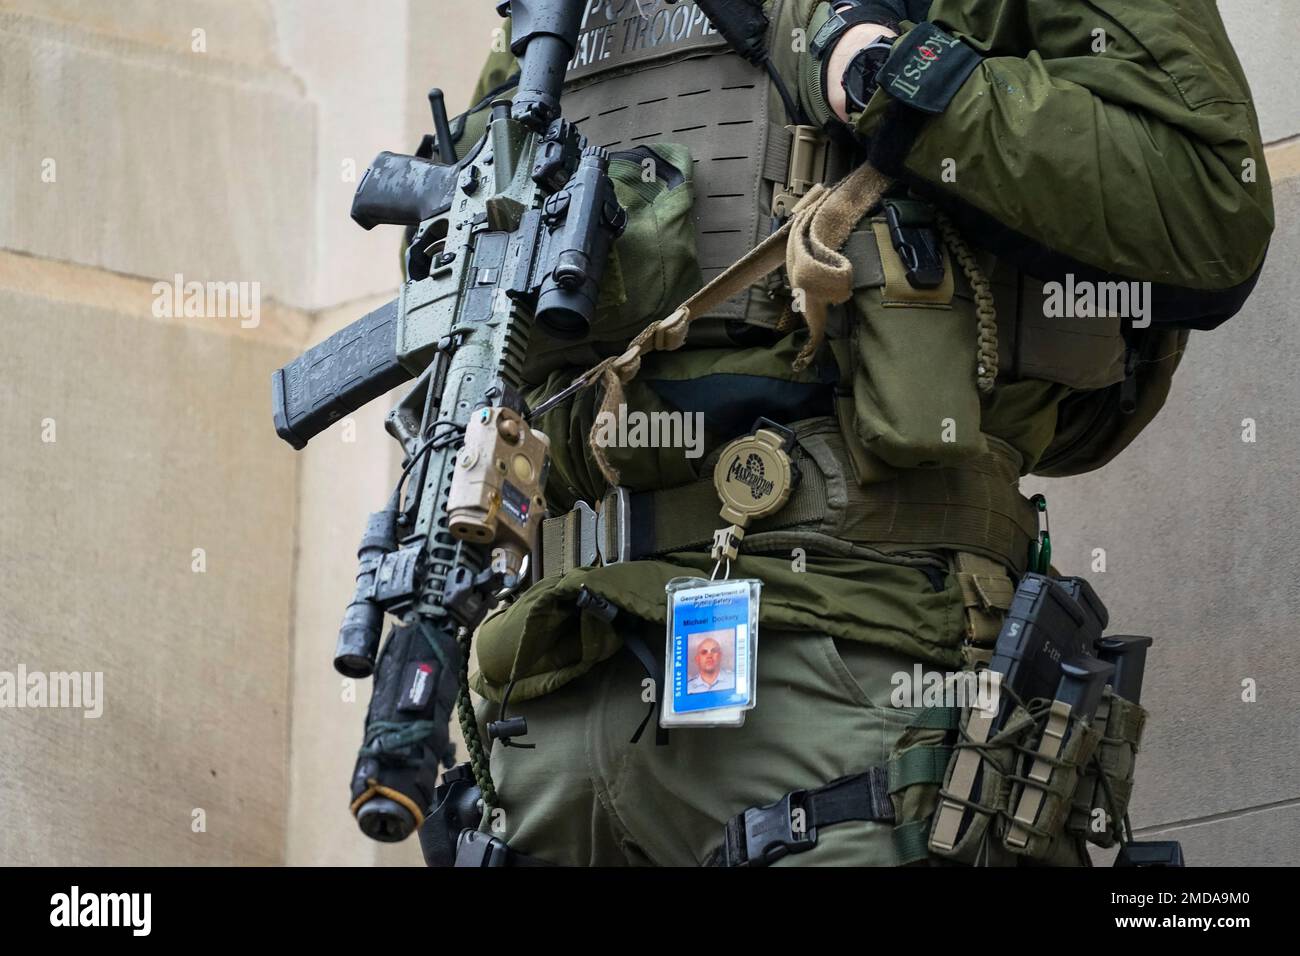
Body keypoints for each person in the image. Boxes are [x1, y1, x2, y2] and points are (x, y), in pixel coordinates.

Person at [453, 0, 1273, 866]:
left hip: (848, 654)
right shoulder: (550, 16)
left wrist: (887, 74)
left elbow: (1211, 198)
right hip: (544, 679)